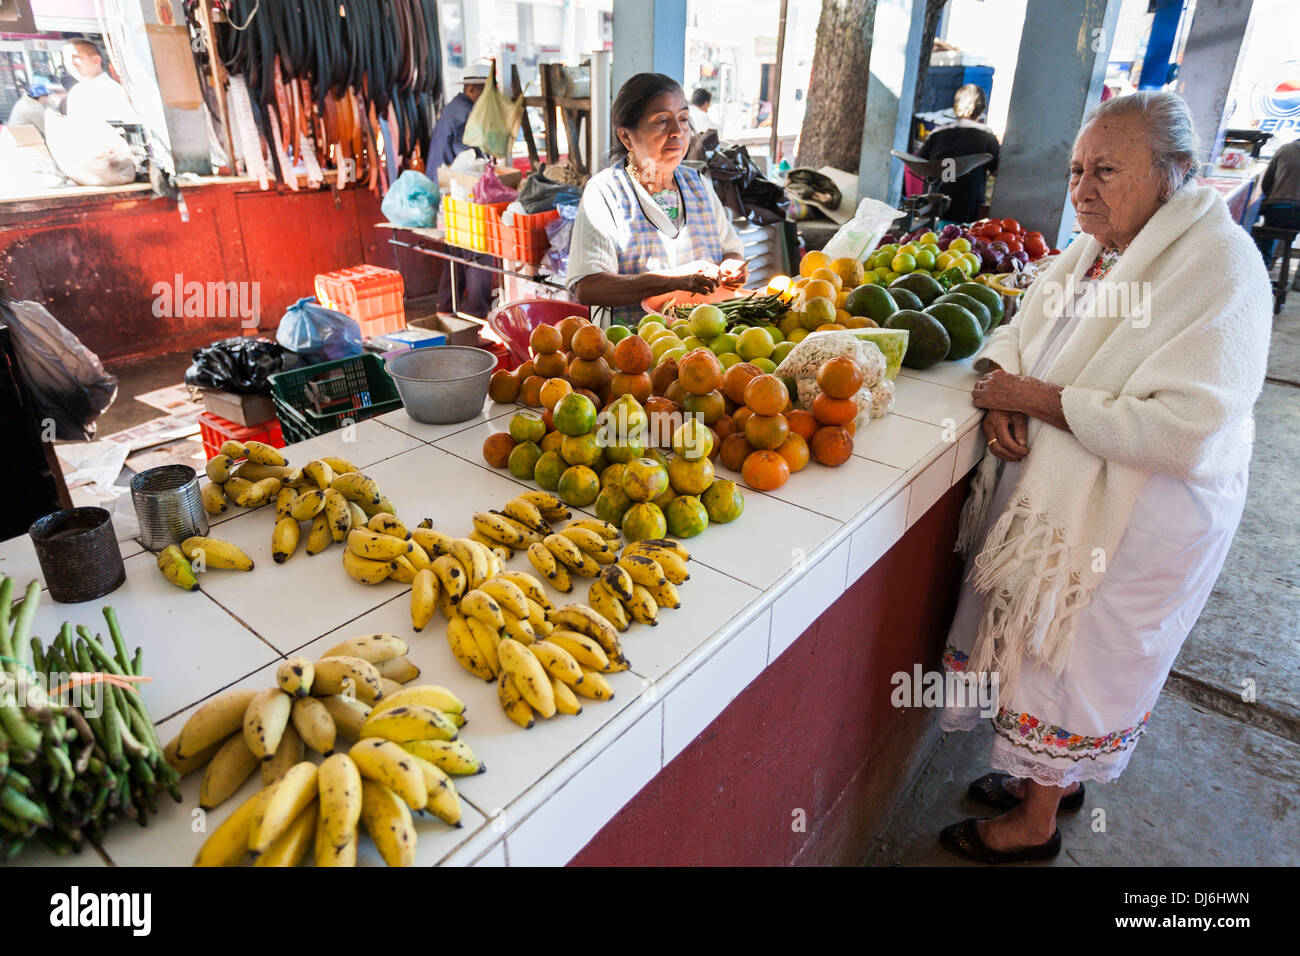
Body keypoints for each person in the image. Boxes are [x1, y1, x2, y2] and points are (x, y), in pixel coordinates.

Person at [937, 91, 1271, 864]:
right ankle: (1044, 778)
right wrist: (999, 384)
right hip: (1068, 492)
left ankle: (1032, 825)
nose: (1081, 188)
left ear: (1173, 174)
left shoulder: (1220, 267)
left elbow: (1185, 427)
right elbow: (1022, 329)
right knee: (1043, 649)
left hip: (1140, 514)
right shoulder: (1099, 248)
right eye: (1076, 169)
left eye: (1107, 170)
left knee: (1076, 659)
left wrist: (1035, 398)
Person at [567, 73, 747, 327]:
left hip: (705, 347)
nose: (677, 132)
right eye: (662, 121)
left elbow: (731, 249)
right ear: (626, 137)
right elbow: (588, 286)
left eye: (683, 119)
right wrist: (675, 280)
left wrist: (733, 265)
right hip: (632, 352)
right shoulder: (605, 193)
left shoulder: (698, 185)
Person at [430, 66, 493, 318]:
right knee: (478, 253)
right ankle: (476, 314)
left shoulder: (454, 107)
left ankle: (444, 308)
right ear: (472, 89)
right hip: (456, 192)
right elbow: (469, 160)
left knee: (454, 253)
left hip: (447, 190)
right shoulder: (465, 114)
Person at [917, 84, 1000, 223]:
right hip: (967, 204)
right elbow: (996, 171)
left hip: (935, 200)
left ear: (955, 106)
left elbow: (921, 164)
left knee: (931, 236)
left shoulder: (938, 132)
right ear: (981, 109)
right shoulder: (987, 137)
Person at [61, 39, 137, 123]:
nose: (71, 63)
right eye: (66, 58)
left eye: (75, 58)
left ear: (96, 60)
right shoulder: (75, 92)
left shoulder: (115, 91)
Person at [1253, 138, 1300, 272]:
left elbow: (1266, 183)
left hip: (1277, 212)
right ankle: (1298, 281)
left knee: (1267, 237)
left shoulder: (1286, 149)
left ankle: (1263, 269)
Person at [428, 66, 488, 170]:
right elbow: (465, 153)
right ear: (471, 89)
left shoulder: (456, 105)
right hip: (446, 177)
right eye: (483, 91)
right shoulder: (465, 112)